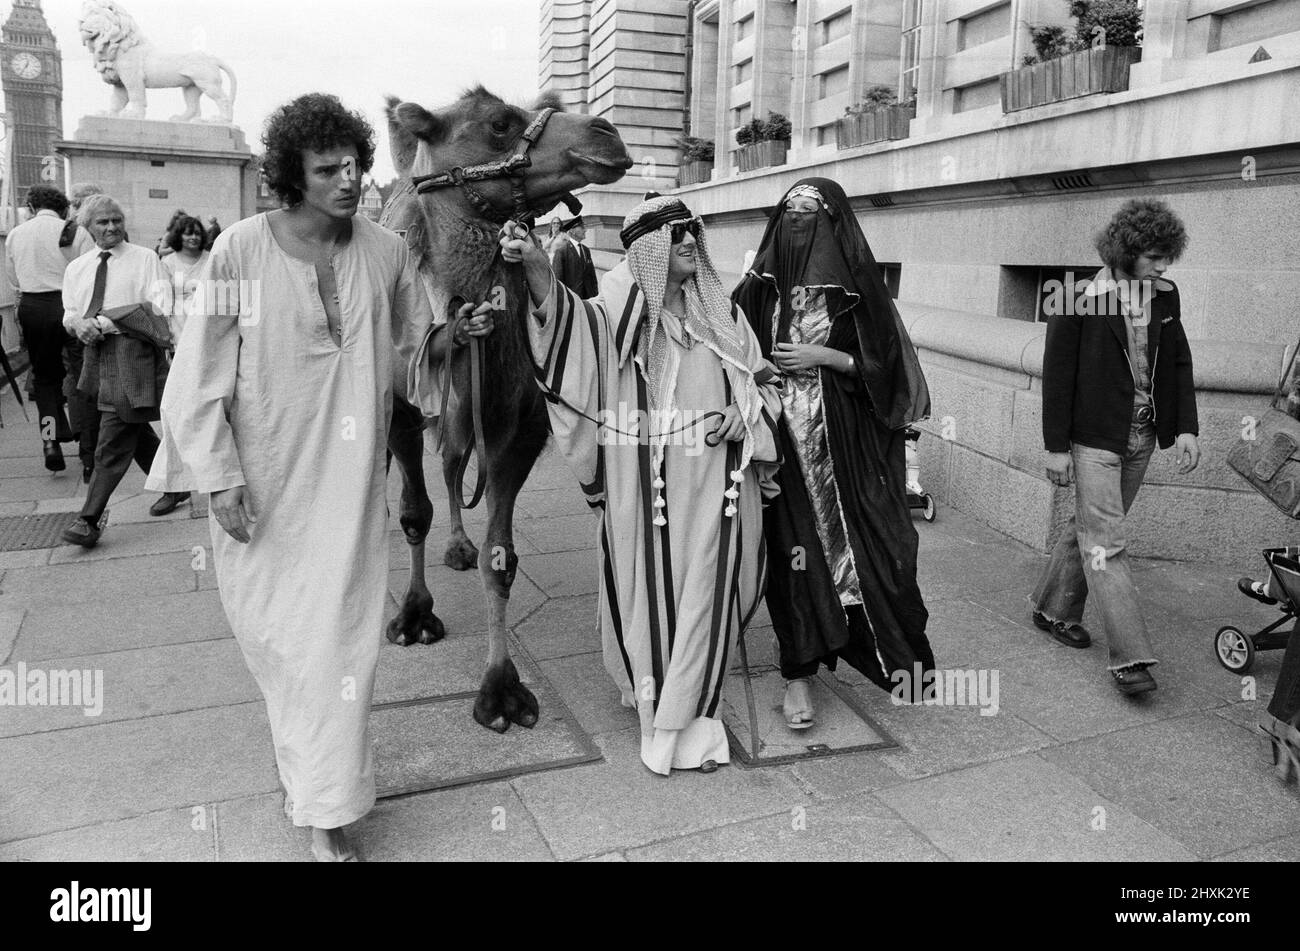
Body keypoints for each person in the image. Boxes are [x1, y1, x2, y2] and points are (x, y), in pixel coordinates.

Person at [145, 93, 436, 861]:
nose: (347, 180)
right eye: (326, 168)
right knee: (286, 646)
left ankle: (325, 807)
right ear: (290, 174)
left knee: (338, 647)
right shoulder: (240, 249)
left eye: (354, 165)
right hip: (263, 483)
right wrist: (217, 475)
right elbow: (198, 369)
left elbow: (414, 353)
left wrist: (455, 341)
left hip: (348, 488)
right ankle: (313, 783)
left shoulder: (386, 251)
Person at [500, 195, 783, 775]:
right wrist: (533, 265)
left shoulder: (724, 315)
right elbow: (563, 334)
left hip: (720, 486)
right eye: (675, 236)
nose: (688, 244)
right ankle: (659, 712)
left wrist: (746, 412)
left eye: (692, 234)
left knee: (708, 592)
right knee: (653, 597)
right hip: (647, 494)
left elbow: (768, 383)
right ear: (649, 250)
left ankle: (693, 729)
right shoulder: (612, 320)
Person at [732, 178, 935, 728]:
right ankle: (798, 677)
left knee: (880, 549)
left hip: (850, 451)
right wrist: (759, 374)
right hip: (783, 454)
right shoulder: (760, 289)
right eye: (791, 210)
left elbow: (890, 376)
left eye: (811, 212)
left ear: (834, 224)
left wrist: (830, 357)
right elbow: (725, 352)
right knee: (795, 558)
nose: (800, 220)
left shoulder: (858, 295)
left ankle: (890, 652)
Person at [1033, 198, 1199, 697]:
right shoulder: (1078, 295)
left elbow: (1178, 363)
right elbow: (1057, 377)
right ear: (1126, 251)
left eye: (1168, 255)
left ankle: (1051, 608)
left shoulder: (1165, 295)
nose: (1163, 265)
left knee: (1089, 527)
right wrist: (1055, 447)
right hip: (1093, 439)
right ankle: (1131, 658)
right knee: (1108, 543)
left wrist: (1187, 426)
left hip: (1143, 437)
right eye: (1153, 255)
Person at [57, 196, 189, 547]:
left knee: (113, 436)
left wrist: (102, 322)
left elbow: (158, 307)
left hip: (134, 354)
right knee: (132, 425)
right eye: (103, 222)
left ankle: (88, 520)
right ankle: (174, 487)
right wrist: (77, 325)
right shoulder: (78, 268)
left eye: (116, 220)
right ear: (88, 227)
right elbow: (70, 310)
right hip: (95, 355)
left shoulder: (145, 259)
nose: (112, 227)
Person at [5, 185, 94, 472]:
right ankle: (88, 449)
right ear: (63, 208)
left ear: (31, 207)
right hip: (70, 307)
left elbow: (14, 279)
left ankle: (49, 441)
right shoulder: (75, 232)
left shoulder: (17, 234)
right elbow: (91, 273)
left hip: (33, 307)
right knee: (82, 377)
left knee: (45, 380)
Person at [159, 215, 210, 345]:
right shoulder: (168, 262)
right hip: (179, 325)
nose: (194, 237)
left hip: (207, 323)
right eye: (188, 234)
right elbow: (164, 299)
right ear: (179, 236)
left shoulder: (212, 259)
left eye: (198, 234)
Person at [550, 215, 599, 298]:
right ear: (572, 231)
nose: (585, 230)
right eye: (582, 227)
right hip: (572, 301)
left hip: (588, 300)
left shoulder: (586, 250)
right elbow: (558, 281)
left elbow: (592, 277)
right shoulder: (562, 251)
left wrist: (595, 296)